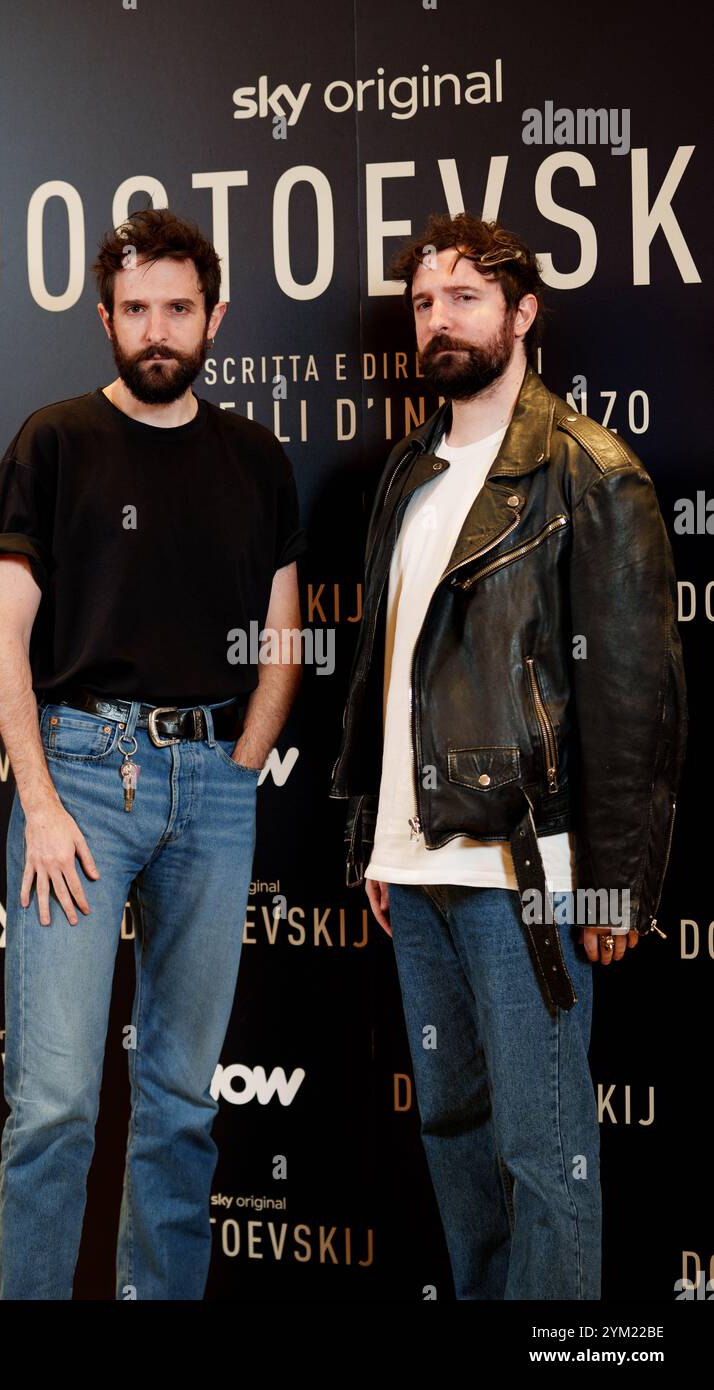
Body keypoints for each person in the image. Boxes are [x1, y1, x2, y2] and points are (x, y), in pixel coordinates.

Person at [329, 212, 687, 1300]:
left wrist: (617, 882)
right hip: (418, 863)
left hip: (526, 873)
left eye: (466, 297)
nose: (440, 319)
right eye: (426, 301)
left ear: (522, 314)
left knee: (544, 1154)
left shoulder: (589, 470)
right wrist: (376, 838)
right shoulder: (407, 472)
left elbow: (636, 698)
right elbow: (388, 675)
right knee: (452, 1137)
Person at [0, 206, 306, 1300]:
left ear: (215, 318)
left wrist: (241, 763)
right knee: (58, 1099)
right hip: (76, 780)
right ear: (103, 319)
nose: (155, 331)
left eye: (176, 310)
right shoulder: (54, 439)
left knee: (179, 1099)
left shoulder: (255, 459)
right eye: (134, 312)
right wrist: (42, 799)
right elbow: (2, 636)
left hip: (209, 786)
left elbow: (281, 633)